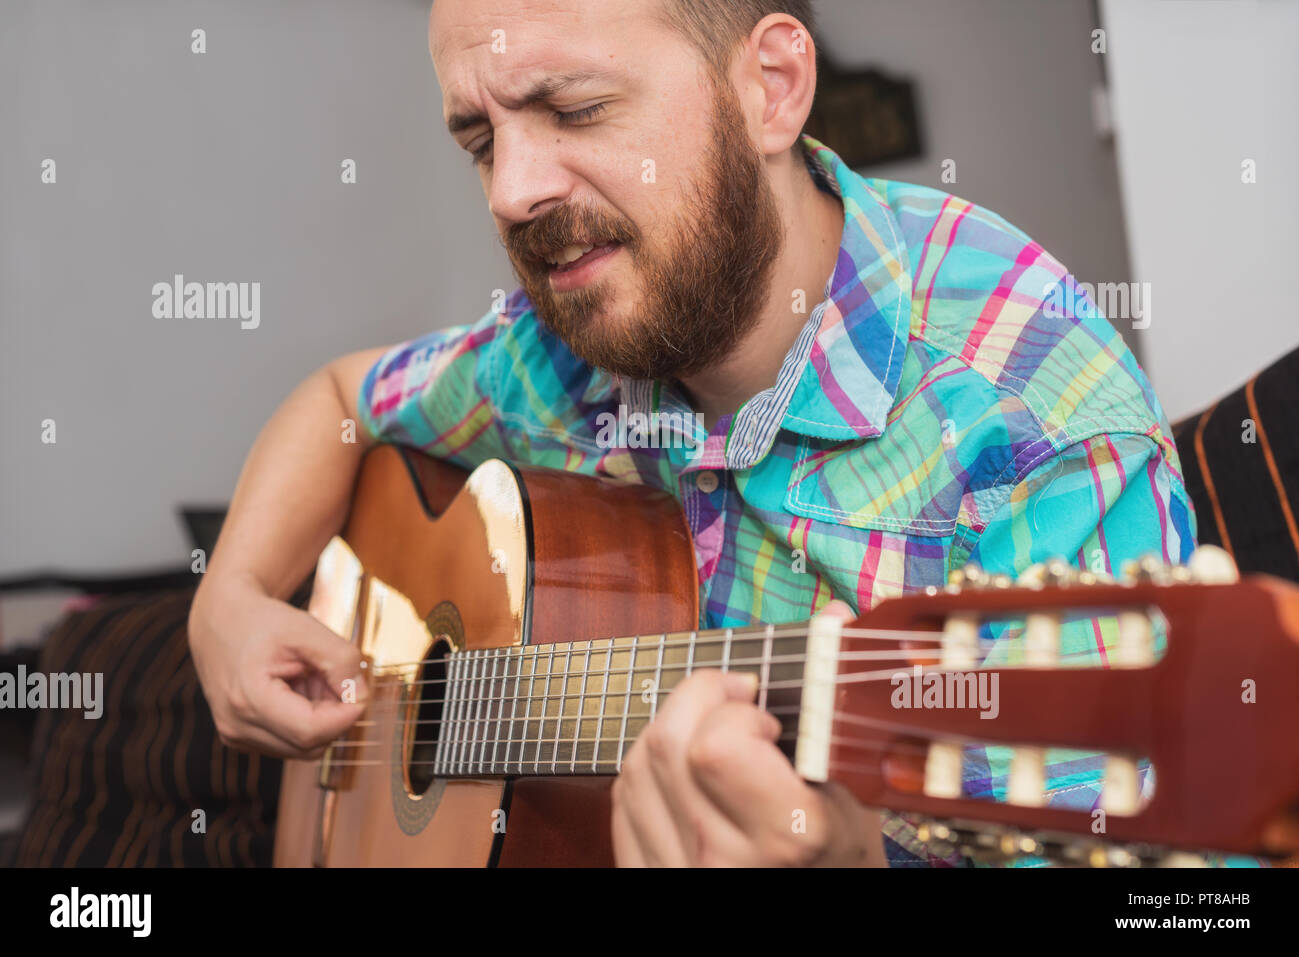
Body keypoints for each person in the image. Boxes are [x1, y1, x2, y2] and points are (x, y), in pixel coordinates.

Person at [189, 0, 1200, 866]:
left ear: (769, 86)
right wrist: (226, 600)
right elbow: (336, 402)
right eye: (480, 141)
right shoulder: (553, 352)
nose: (511, 191)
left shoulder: (1029, 416)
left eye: (574, 110)